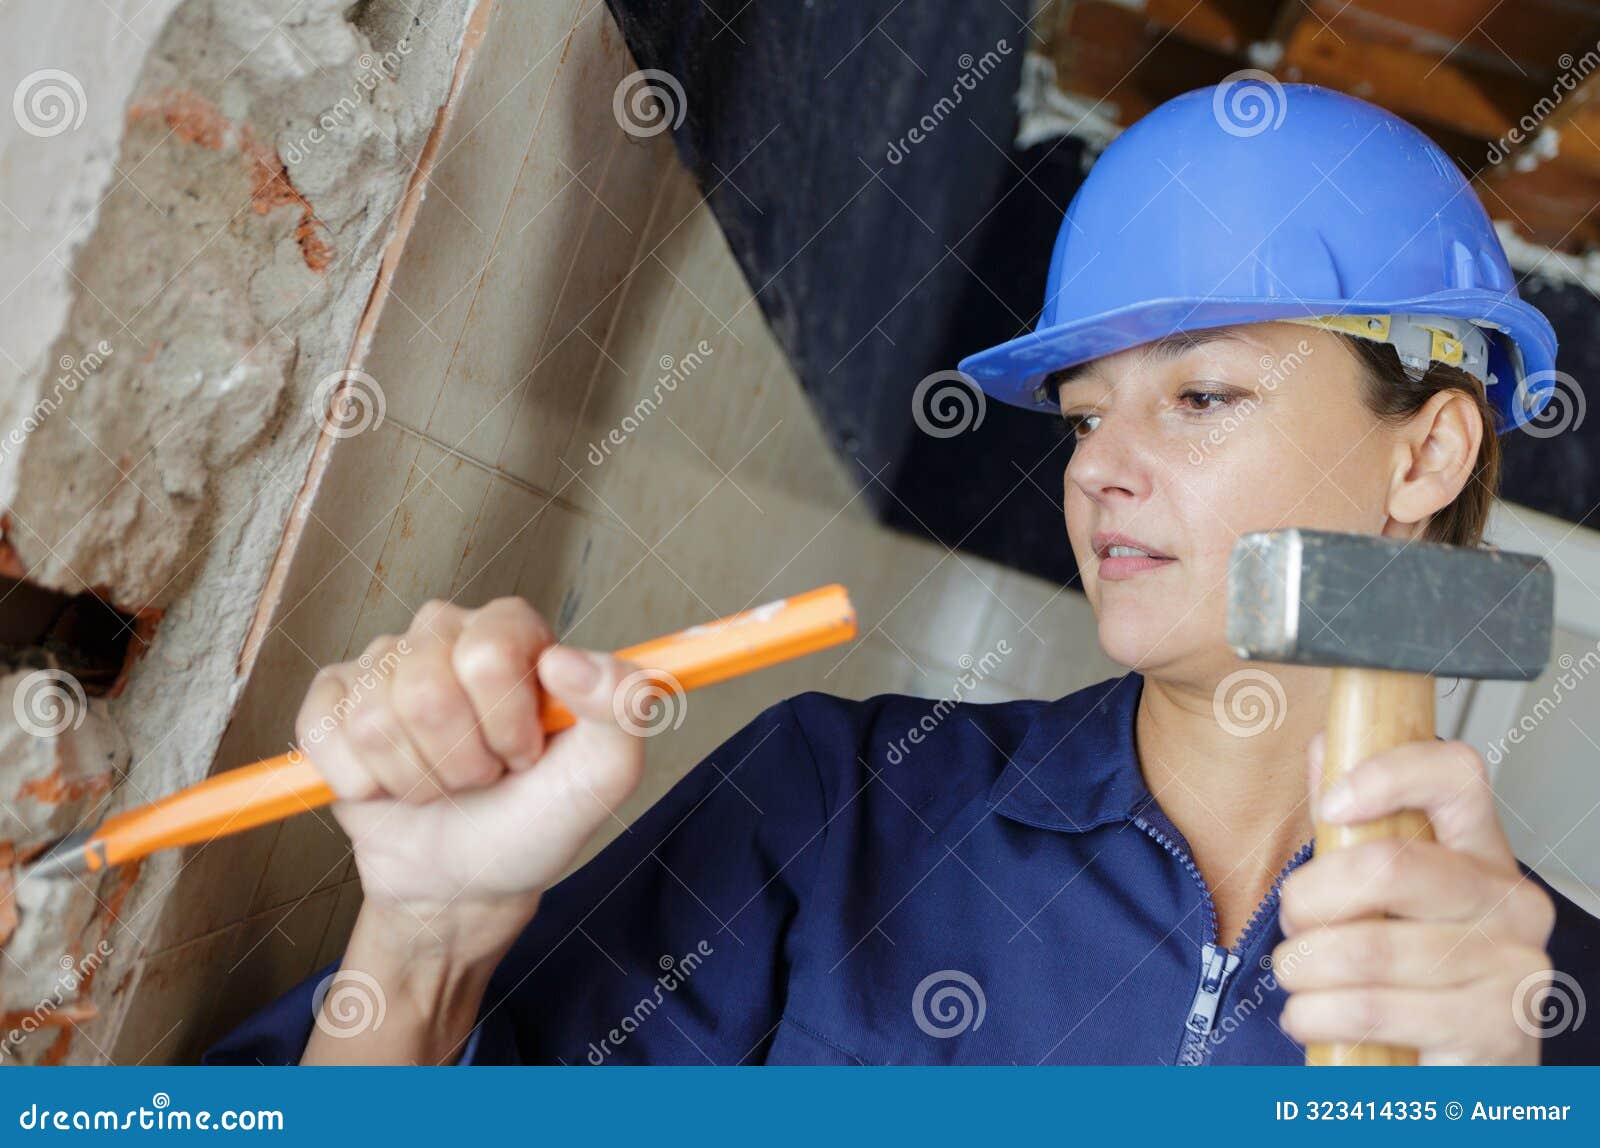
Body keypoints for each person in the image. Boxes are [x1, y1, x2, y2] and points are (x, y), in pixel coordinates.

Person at [206, 81, 1600, 1066]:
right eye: (1083, 411)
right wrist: (421, 952)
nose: (1099, 466)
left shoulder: (1553, 1002)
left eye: (1202, 397)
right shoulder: (835, 804)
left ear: (1426, 458)